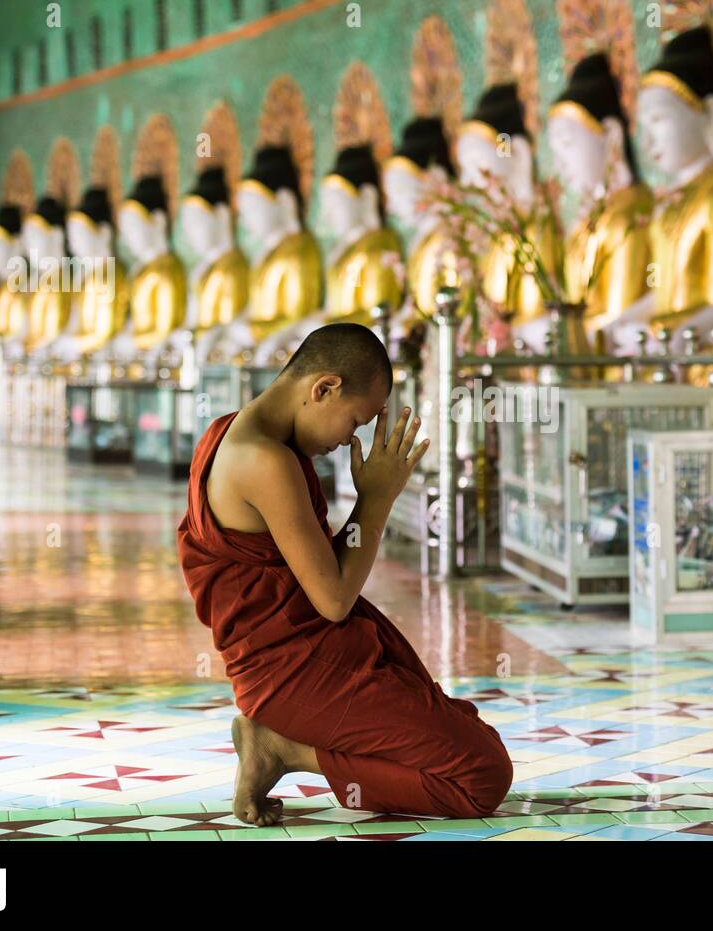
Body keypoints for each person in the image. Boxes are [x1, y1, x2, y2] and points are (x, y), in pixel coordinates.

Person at [176, 322, 514, 825]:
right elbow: (332, 597)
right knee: (480, 777)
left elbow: (318, 572)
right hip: (293, 675)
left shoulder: (231, 429)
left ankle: (281, 743)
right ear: (324, 388)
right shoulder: (263, 460)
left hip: (311, 656)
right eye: (354, 421)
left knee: (471, 737)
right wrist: (375, 499)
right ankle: (284, 749)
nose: (348, 440)